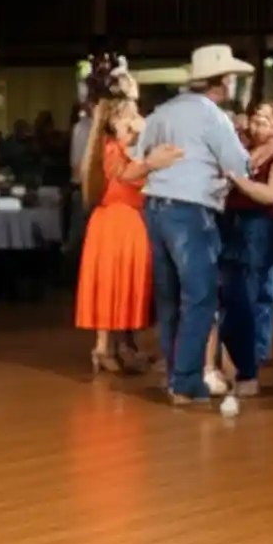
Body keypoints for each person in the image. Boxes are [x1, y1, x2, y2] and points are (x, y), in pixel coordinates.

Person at [134, 45, 252, 404]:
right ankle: (185, 381)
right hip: (191, 210)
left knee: (169, 298)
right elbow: (238, 164)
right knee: (199, 298)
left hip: (155, 207)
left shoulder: (162, 112)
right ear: (223, 81)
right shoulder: (214, 117)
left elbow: (141, 158)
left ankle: (175, 378)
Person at [76, 84, 183, 373]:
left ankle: (123, 345)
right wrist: (150, 162)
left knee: (127, 285)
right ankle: (103, 347)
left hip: (130, 221)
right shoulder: (110, 149)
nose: (136, 118)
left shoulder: (129, 146)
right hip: (116, 223)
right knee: (111, 284)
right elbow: (125, 174)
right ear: (112, 120)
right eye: (128, 113)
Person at [219, 101, 273, 394]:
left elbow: (271, 194)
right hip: (234, 222)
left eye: (262, 121)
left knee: (250, 295)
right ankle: (234, 360)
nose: (255, 125)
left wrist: (237, 180)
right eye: (254, 120)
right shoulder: (247, 150)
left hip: (259, 225)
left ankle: (247, 363)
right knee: (232, 292)